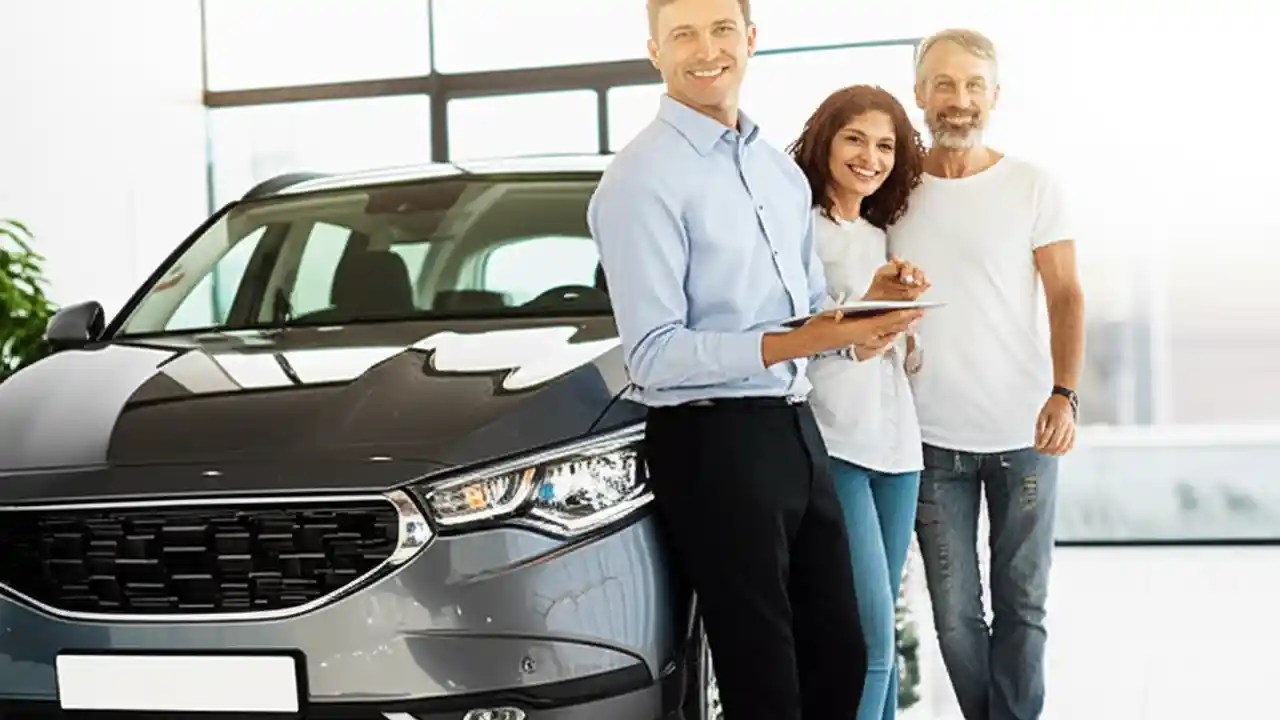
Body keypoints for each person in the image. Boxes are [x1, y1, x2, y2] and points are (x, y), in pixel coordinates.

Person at [587, 1, 926, 718]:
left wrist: (869, 311)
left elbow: (807, 312)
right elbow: (653, 355)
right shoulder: (640, 179)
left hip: (796, 430)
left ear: (750, 40)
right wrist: (802, 340)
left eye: (720, 30)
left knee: (840, 652)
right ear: (655, 50)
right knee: (762, 673)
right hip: (710, 441)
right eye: (682, 34)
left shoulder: (778, 174)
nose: (704, 50)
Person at [887, 28, 1087, 720]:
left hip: (1024, 431)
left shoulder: (1032, 186)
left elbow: (1065, 295)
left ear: (995, 96)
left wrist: (1065, 394)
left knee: (1023, 604)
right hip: (930, 439)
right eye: (943, 84)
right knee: (953, 617)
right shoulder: (894, 191)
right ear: (919, 95)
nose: (958, 99)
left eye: (973, 85)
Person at [786, 84, 930, 720]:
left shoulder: (879, 235)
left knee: (886, 644)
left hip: (897, 450)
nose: (870, 157)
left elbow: (891, 350)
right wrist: (860, 328)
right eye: (855, 139)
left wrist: (905, 322)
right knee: (869, 641)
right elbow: (786, 343)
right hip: (834, 444)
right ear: (825, 140)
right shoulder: (795, 229)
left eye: (885, 146)